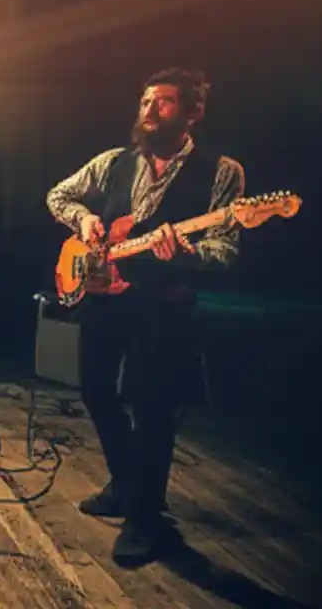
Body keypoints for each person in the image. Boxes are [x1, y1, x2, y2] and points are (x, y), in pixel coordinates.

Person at [46, 67, 245, 565]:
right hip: (106, 296)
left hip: (165, 307)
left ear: (193, 112)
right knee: (95, 390)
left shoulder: (223, 173)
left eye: (165, 102)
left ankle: (144, 520)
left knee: (153, 409)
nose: (150, 110)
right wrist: (86, 219)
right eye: (146, 100)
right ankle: (125, 483)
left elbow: (224, 250)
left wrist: (183, 254)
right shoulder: (113, 162)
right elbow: (58, 196)